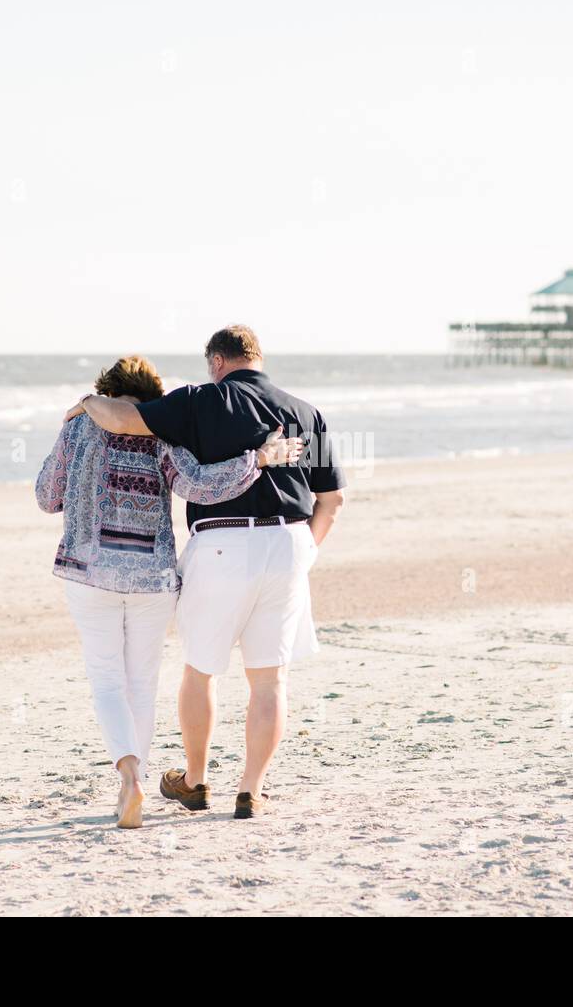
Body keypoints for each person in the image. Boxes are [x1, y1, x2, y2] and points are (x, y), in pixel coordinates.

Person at [66, 325, 346, 819]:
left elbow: (124, 419)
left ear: (217, 361)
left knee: (201, 670)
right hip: (288, 543)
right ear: (257, 358)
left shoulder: (199, 399)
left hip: (221, 543)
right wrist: (305, 552)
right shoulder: (307, 412)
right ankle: (251, 790)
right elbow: (333, 499)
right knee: (269, 680)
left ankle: (195, 781)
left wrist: (87, 402)